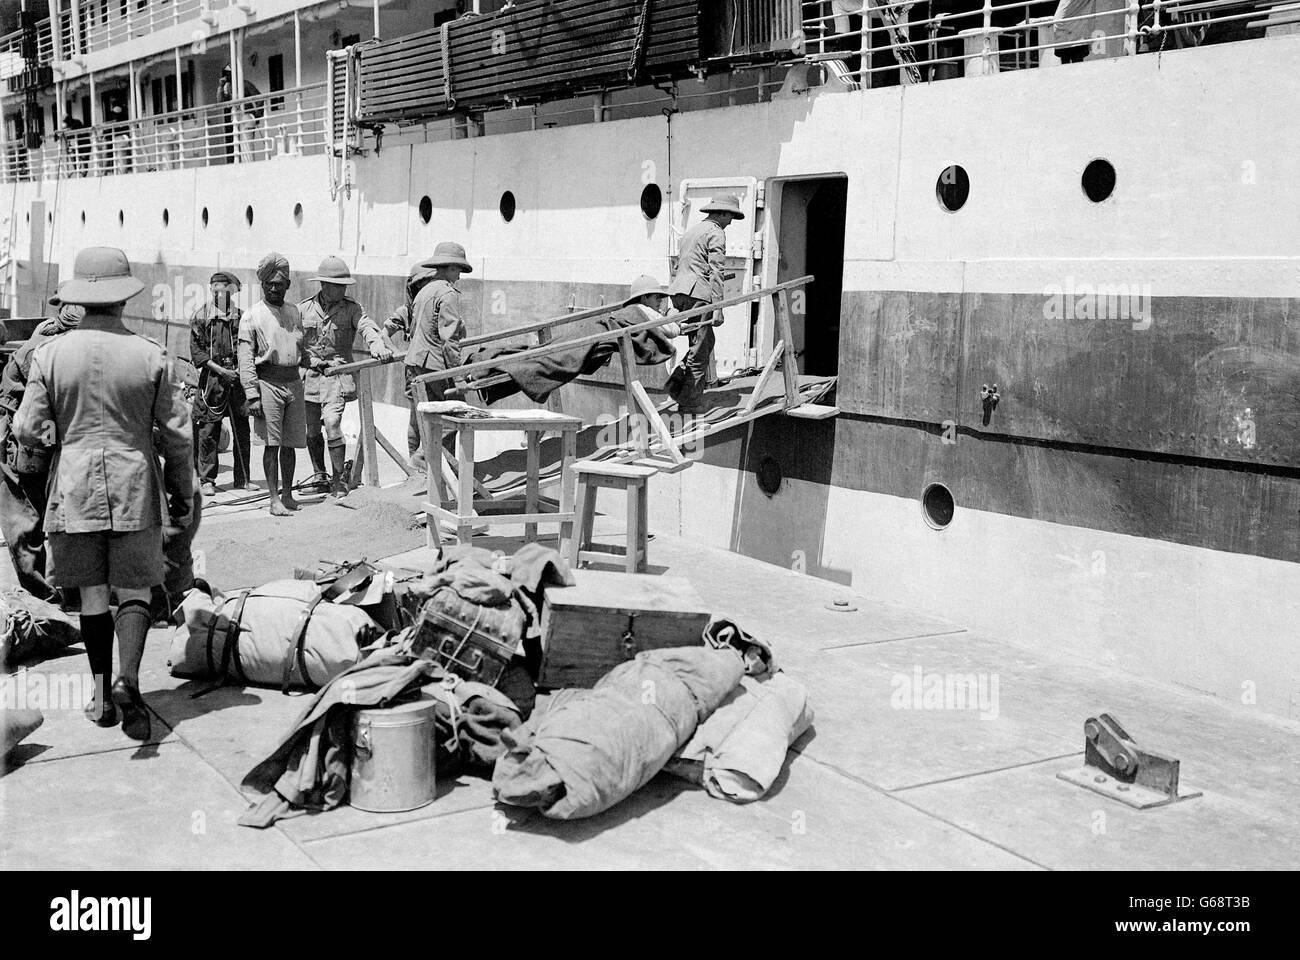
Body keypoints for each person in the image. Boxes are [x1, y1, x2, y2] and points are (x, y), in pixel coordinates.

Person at [13, 247, 194, 740]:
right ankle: (128, 681)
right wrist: (183, 496)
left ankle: (99, 695)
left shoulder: (49, 355)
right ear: (121, 299)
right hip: (136, 483)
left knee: (92, 594)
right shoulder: (151, 354)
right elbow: (178, 436)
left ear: (81, 299)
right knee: (136, 587)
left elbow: (27, 429)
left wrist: (60, 438)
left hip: (72, 489)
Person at [0, 301, 85, 602]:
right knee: (63, 516)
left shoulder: (40, 346)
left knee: (24, 517)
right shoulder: (96, 347)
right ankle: (72, 591)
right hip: (56, 440)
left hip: (32, 440)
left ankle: (46, 596)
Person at [299, 256, 395, 498]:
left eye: (344, 286)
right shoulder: (303, 309)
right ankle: (320, 475)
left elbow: (367, 327)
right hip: (310, 377)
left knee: (331, 424)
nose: (343, 290)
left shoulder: (352, 308)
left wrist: (377, 346)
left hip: (337, 377)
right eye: (338, 285)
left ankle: (338, 480)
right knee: (311, 431)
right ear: (324, 285)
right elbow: (295, 341)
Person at [238, 252, 308, 517]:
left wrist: (317, 362)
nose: (275, 287)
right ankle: (273, 498)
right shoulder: (251, 316)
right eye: (270, 284)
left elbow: (301, 348)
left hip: (293, 382)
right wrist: (252, 395)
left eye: (280, 283)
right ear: (263, 285)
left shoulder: (294, 312)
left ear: (288, 285)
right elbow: (245, 360)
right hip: (267, 384)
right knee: (272, 444)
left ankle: (288, 494)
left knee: (290, 444)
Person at [665, 194, 743, 413]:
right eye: (731, 217)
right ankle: (688, 401)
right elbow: (716, 271)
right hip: (699, 296)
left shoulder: (692, 231)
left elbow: (683, 265)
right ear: (722, 213)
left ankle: (678, 384)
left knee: (703, 342)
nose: (730, 223)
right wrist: (718, 307)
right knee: (701, 348)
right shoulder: (716, 233)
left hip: (680, 292)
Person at [403, 242, 472, 469]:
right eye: (458, 271)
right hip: (433, 363)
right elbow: (449, 338)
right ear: (450, 267)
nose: (459, 277)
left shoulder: (425, 290)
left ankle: (433, 468)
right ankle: (423, 460)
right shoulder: (447, 293)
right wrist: (459, 376)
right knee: (454, 416)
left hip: (415, 360)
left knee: (423, 416)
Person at [189, 271, 251, 497]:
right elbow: (198, 353)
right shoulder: (201, 316)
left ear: (230, 290)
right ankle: (207, 480)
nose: (217, 291)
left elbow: (247, 348)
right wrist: (222, 371)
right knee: (208, 429)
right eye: (213, 287)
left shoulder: (242, 317)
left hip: (237, 380)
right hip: (212, 381)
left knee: (242, 429)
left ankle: (242, 478)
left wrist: (238, 371)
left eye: (221, 287)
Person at [383, 262, 438, 462]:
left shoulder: (438, 304)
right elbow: (384, 334)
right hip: (417, 369)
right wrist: (399, 353)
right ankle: (416, 463)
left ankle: (431, 463)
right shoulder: (407, 310)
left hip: (435, 366)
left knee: (437, 416)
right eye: (422, 284)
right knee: (417, 418)